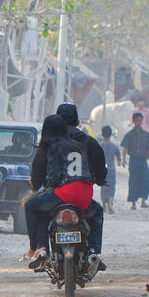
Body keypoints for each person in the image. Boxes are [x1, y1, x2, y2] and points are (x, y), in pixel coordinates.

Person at [24, 114, 102, 273]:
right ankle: (93, 250)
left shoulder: (53, 146)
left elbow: (54, 176)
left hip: (66, 192)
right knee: (98, 211)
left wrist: (48, 188)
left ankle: (37, 248)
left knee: (31, 205)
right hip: (86, 192)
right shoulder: (79, 145)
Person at [57, 102, 106, 260]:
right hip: (81, 195)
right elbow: (100, 169)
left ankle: (42, 250)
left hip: (57, 195)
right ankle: (93, 251)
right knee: (96, 213)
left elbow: (39, 167)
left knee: (43, 214)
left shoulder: (50, 141)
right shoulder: (90, 142)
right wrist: (100, 180)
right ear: (78, 122)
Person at [121, 112, 149, 209]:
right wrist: (123, 159)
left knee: (146, 180)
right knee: (133, 181)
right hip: (133, 160)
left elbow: (148, 150)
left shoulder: (146, 135)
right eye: (137, 120)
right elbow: (125, 148)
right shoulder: (129, 135)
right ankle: (133, 203)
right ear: (134, 121)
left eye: (140, 120)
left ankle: (143, 201)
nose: (139, 122)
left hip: (143, 160)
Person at [100, 126, 121, 214]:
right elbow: (118, 157)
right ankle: (110, 205)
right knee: (111, 188)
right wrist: (119, 162)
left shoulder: (99, 146)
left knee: (103, 187)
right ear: (111, 134)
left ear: (102, 134)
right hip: (111, 169)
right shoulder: (114, 146)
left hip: (102, 169)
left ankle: (104, 206)